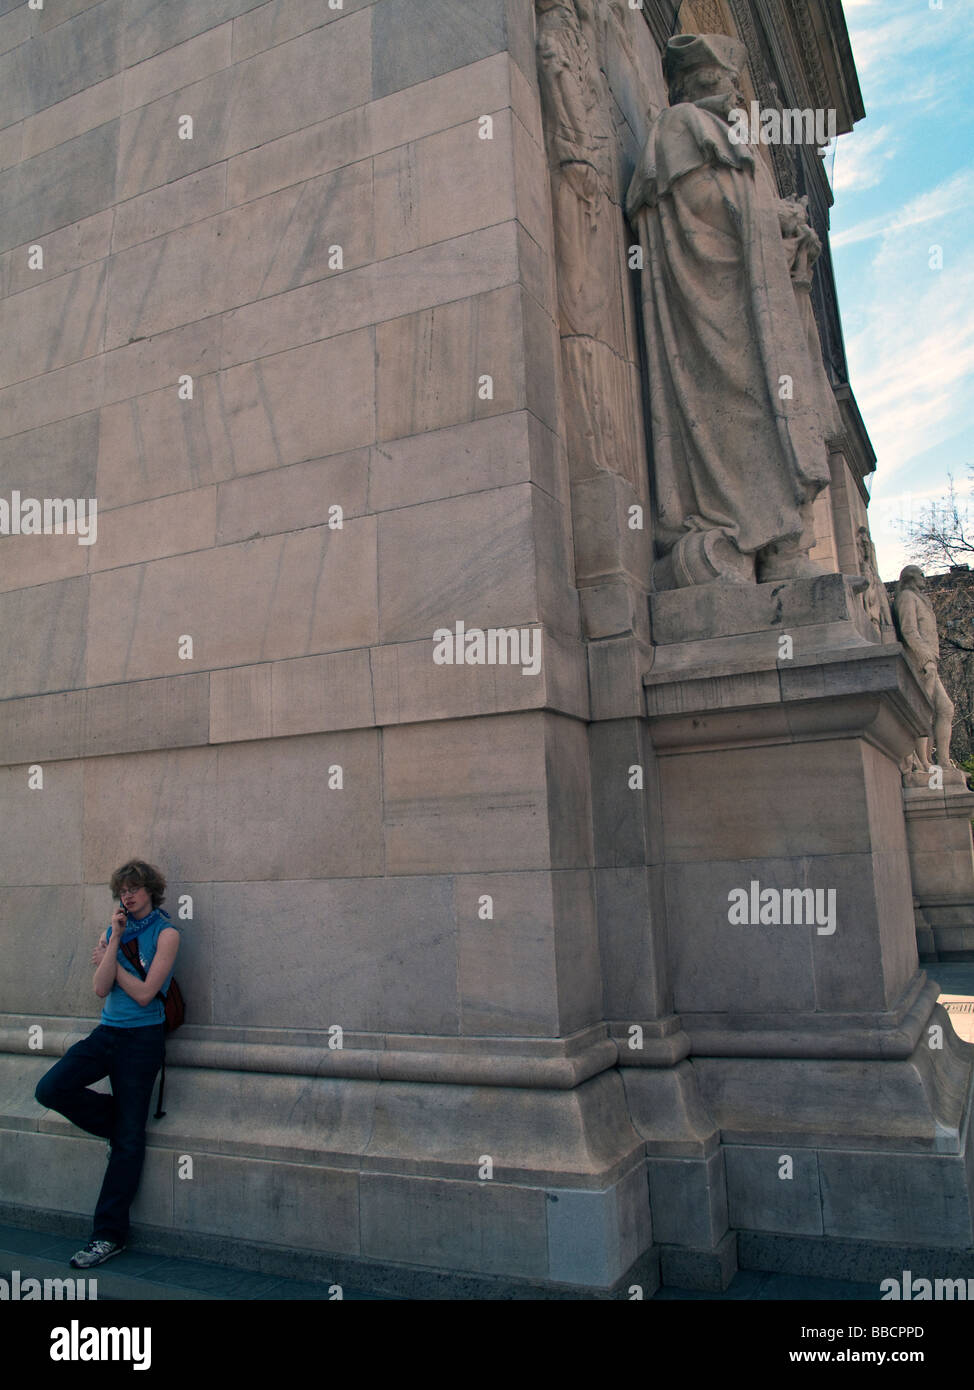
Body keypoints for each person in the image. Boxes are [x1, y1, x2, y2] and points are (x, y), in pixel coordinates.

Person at [626, 33, 837, 588]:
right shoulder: (682, 128)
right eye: (724, 81)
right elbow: (703, 210)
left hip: (754, 310)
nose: (734, 92)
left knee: (772, 409)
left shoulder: (726, 136)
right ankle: (745, 535)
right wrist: (769, 224)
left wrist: (785, 233)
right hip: (719, 312)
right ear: (696, 81)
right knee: (739, 410)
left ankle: (781, 544)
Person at [34, 859, 181, 1269]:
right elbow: (101, 989)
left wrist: (111, 962)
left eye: (135, 888)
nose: (128, 895)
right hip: (107, 1034)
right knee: (50, 1088)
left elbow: (146, 993)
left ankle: (108, 1236)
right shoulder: (111, 931)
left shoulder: (167, 934)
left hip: (142, 1041)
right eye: (123, 890)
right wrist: (114, 939)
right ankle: (124, 1126)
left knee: (128, 1145)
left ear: (150, 890)